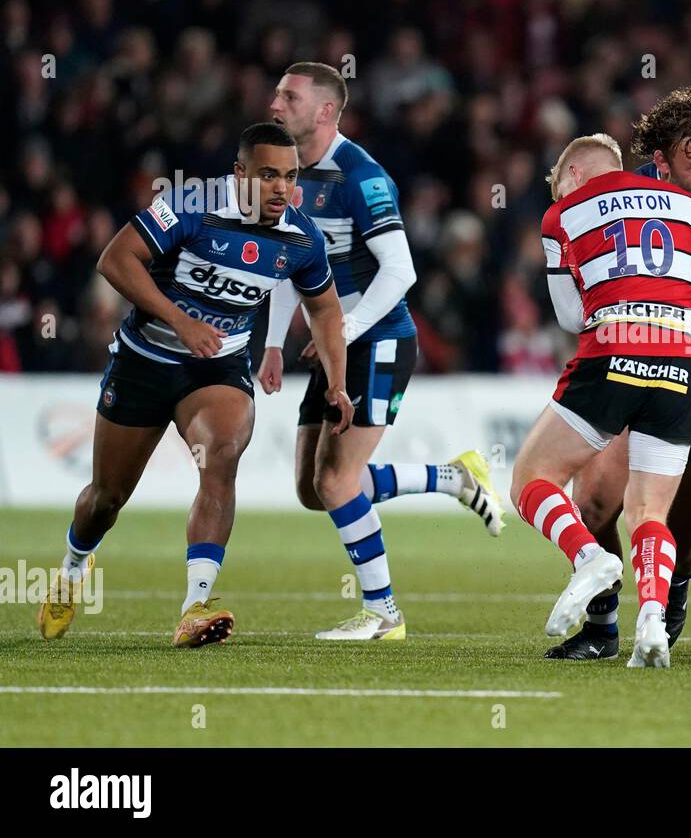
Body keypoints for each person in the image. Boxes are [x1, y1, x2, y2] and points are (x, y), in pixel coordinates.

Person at [38, 122, 352, 647]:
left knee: (223, 452)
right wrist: (181, 322)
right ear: (240, 174)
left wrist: (337, 384)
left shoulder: (302, 237)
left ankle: (194, 606)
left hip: (217, 369)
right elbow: (115, 260)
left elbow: (324, 308)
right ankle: (73, 568)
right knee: (105, 500)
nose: (281, 188)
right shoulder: (190, 203)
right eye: (268, 175)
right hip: (145, 359)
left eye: (291, 176)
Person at [512, 133, 691, 668]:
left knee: (531, 480)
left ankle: (588, 558)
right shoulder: (690, 207)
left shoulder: (563, 213)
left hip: (614, 353)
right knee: (649, 512)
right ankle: (651, 621)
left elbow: (570, 318)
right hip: (685, 366)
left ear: (570, 177)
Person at [260, 62, 504, 641]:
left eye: (288, 96)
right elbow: (285, 265)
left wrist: (344, 331)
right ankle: (452, 477)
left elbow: (401, 270)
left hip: (380, 340)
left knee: (337, 482)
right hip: (334, 345)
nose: (274, 104)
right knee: (310, 488)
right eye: (275, 94)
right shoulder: (288, 175)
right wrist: (273, 344)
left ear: (324, 111)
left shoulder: (361, 176)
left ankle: (383, 612)